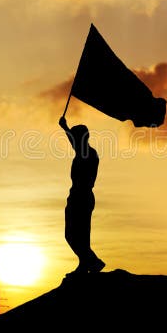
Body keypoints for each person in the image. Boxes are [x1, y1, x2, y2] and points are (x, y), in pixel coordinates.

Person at [59, 116, 105, 275]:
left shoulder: (89, 154)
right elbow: (75, 144)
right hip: (77, 196)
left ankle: (91, 263)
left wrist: (65, 129)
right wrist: (65, 128)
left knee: (80, 234)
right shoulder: (84, 151)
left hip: (82, 197)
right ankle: (86, 262)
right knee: (72, 234)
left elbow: (76, 144)